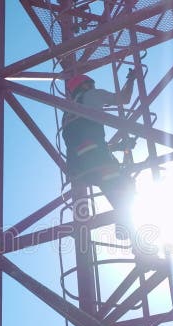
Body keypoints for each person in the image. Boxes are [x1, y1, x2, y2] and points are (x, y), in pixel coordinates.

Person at [62, 71, 137, 239]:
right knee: (126, 186)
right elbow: (124, 98)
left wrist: (119, 146)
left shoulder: (68, 112)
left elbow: (85, 142)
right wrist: (131, 79)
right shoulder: (92, 95)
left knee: (116, 190)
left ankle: (125, 226)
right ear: (86, 85)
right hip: (99, 163)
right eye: (92, 85)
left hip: (79, 168)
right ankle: (127, 230)